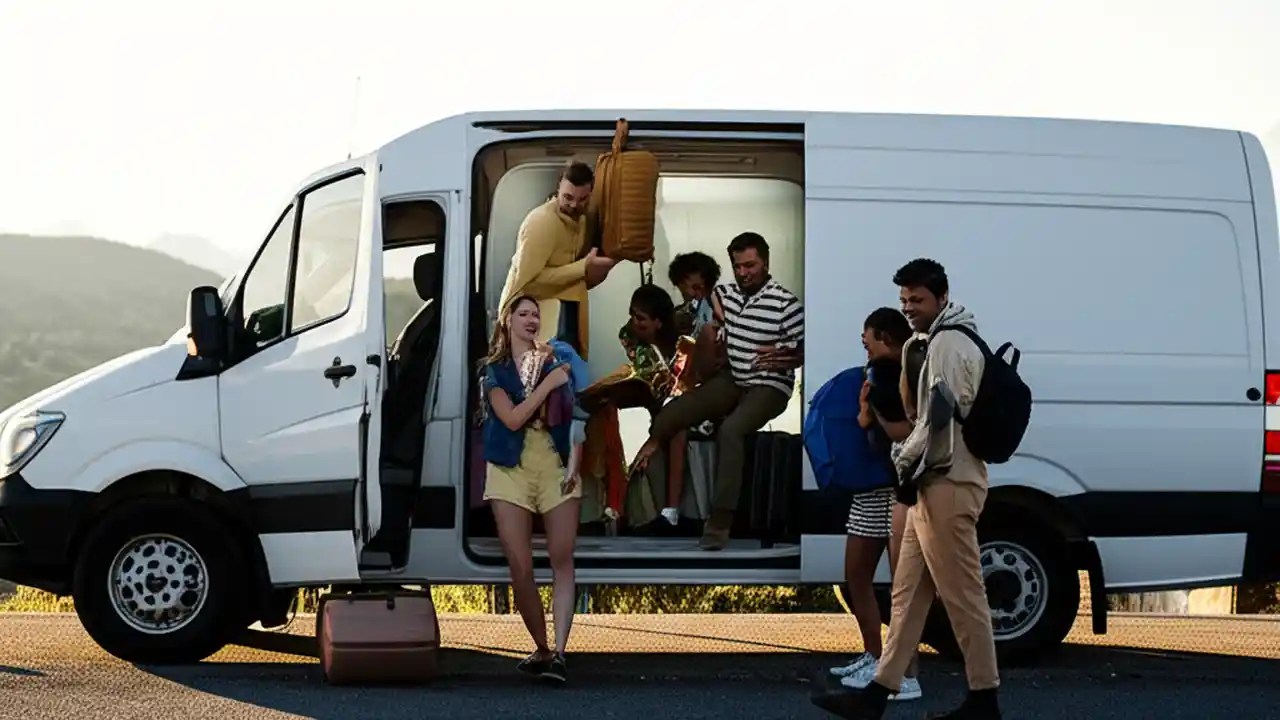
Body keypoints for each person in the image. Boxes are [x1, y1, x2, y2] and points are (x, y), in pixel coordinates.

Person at [813, 258, 1001, 720]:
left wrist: (903, 457)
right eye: (904, 300)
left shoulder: (951, 344)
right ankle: (879, 693)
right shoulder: (929, 340)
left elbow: (938, 419)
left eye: (917, 299)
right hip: (925, 484)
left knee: (962, 595)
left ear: (941, 296)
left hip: (947, 482)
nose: (909, 308)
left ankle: (984, 698)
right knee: (908, 595)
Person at [632, 232, 803, 550]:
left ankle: (720, 522)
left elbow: (807, 348)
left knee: (731, 431)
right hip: (732, 377)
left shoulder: (785, 303)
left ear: (765, 262)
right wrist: (712, 337)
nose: (743, 273)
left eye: (750, 265)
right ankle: (654, 446)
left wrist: (786, 355)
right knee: (677, 411)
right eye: (738, 266)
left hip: (770, 384)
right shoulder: (723, 296)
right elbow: (709, 330)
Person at [478, 294, 585, 685]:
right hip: (510, 470)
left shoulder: (556, 360)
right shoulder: (494, 371)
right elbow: (512, 418)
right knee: (520, 565)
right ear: (507, 322)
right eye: (522, 313)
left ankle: (558, 652)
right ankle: (540, 645)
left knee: (562, 557)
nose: (531, 319)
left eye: (536, 314)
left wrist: (574, 465)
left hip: (555, 465)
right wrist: (547, 386)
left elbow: (576, 422)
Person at [828, 308, 922, 703]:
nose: (863, 345)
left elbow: (884, 424)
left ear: (882, 336)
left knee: (875, 580)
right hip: (883, 485)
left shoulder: (886, 373)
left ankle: (904, 673)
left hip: (888, 486)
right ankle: (876, 657)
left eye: (866, 338)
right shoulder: (913, 366)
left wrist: (868, 415)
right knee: (872, 579)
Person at [498, 160, 619, 357]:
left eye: (582, 199)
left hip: (560, 315)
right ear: (558, 188)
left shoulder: (581, 219)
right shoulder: (541, 223)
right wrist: (582, 267)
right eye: (568, 197)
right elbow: (526, 285)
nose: (574, 205)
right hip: (535, 326)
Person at [617, 284, 687, 526]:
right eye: (632, 316)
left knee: (676, 427)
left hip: (676, 412)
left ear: (659, 323)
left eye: (642, 319)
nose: (634, 322)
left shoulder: (680, 349)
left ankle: (672, 510)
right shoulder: (633, 340)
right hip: (653, 412)